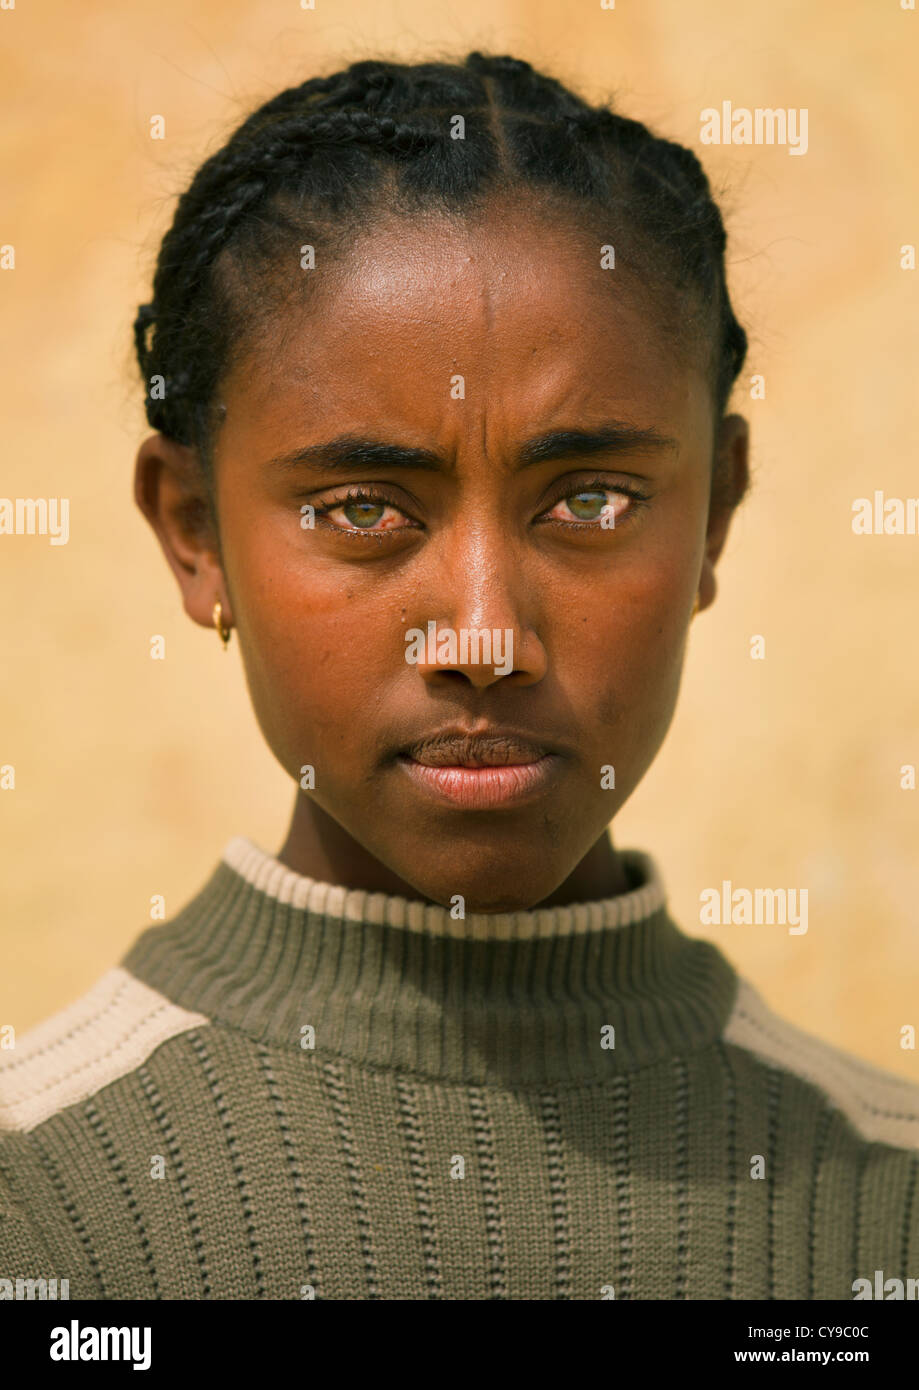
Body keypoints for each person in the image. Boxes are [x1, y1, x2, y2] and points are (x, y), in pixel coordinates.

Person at [2, 50, 916, 1301]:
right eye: (365, 506)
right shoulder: (42, 1201)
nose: (484, 636)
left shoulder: (883, 1200)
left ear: (714, 518)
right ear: (194, 532)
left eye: (590, 500)